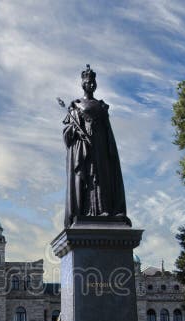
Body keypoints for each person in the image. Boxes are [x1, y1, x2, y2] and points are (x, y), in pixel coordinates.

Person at [63, 65, 127, 227]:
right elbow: (67, 132)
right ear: (83, 84)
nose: (91, 84)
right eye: (88, 81)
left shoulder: (102, 106)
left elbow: (107, 130)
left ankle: (105, 210)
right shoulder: (76, 106)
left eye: (93, 81)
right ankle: (85, 211)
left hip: (101, 148)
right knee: (87, 178)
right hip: (84, 149)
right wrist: (77, 132)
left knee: (103, 178)